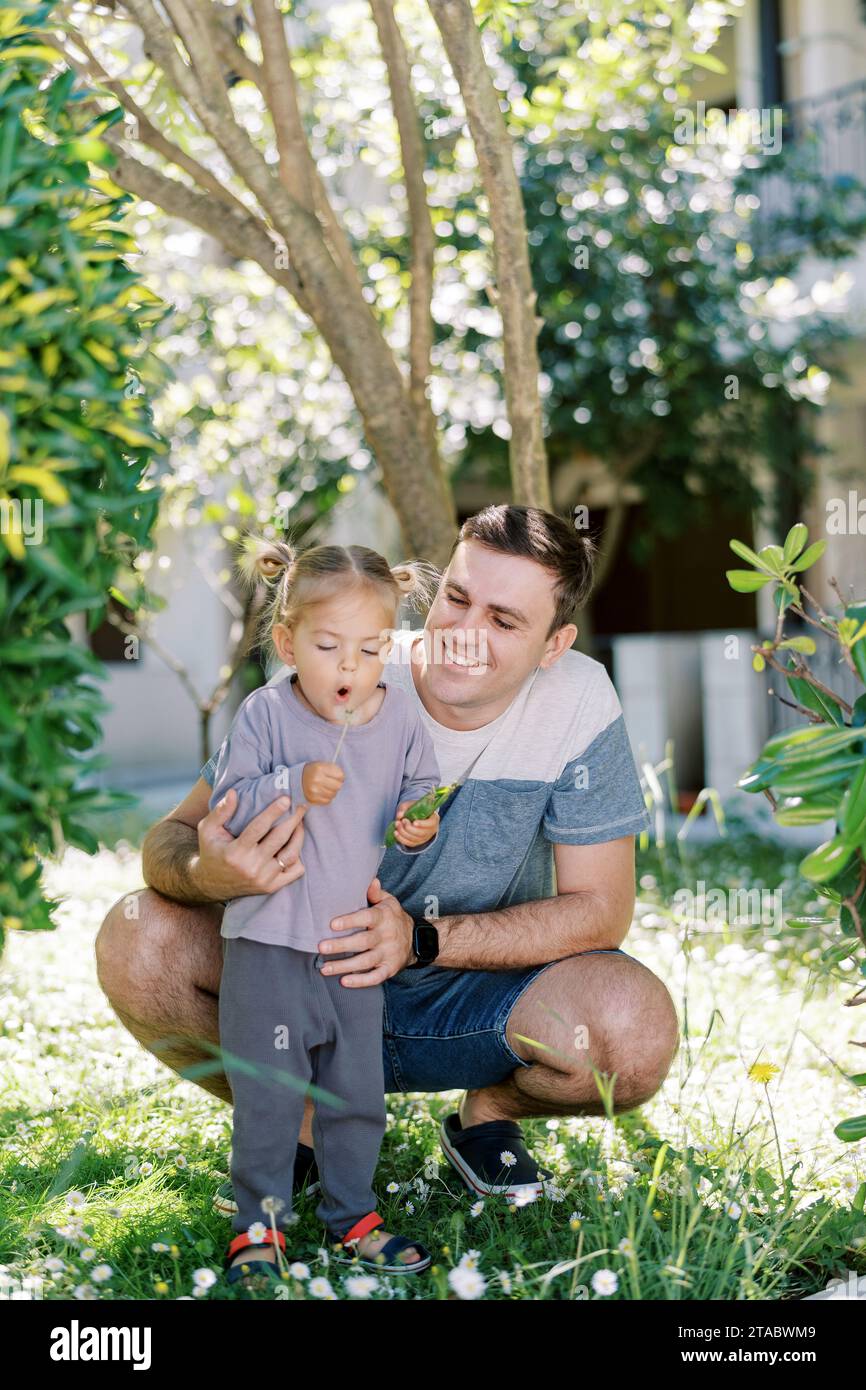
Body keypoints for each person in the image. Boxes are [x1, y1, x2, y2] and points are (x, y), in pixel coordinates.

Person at [95, 504, 680, 1237]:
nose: (465, 633)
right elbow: (169, 840)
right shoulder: (350, 660)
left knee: (634, 1031)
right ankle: (300, 1121)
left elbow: (600, 911)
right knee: (136, 939)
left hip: (473, 1002)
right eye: (458, 598)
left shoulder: (580, 701)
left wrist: (422, 940)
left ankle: (486, 1121)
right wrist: (206, 874)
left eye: (505, 621)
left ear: (555, 644)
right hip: (298, 982)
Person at [212, 537, 443, 1284]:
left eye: (371, 649)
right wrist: (289, 783)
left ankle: (354, 1215)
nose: (350, 667)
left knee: (355, 1097)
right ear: (286, 641)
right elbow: (226, 802)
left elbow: (420, 784)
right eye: (328, 645)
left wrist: (418, 817)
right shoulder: (265, 713)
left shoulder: (401, 717)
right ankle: (259, 1226)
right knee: (269, 1097)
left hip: (349, 948)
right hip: (269, 945)